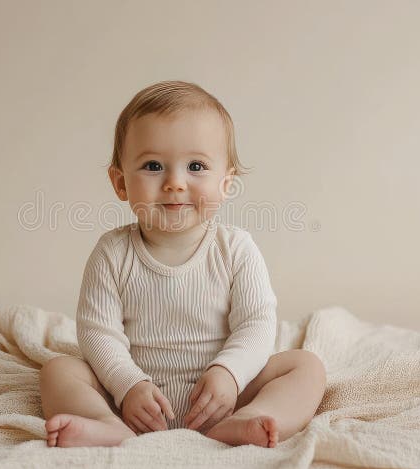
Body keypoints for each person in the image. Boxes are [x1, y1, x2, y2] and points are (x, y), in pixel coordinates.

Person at [40, 80, 326, 448]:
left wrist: (230, 373)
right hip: (132, 400)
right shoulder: (112, 253)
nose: (175, 183)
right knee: (59, 370)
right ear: (120, 183)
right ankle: (105, 424)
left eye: (196, 166)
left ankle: (248, 419)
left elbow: (256, 324)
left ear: (226, 184)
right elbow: (98, 334)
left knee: (306, 367)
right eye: (153, 166)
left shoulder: (235, 249)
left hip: (224, 396)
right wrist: (128, 385)